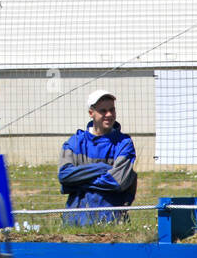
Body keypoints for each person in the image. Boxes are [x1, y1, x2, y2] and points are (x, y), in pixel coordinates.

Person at [58, 89, 138, 225]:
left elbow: (117, 181)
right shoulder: (75, 142)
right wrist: (102, 168)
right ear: (91, 113)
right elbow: (65, 176)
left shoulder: (124, 143)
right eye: (103, 111)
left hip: (112, 220)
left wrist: (78, 184)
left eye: (112, 110)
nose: (109, 115)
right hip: (75, 222)